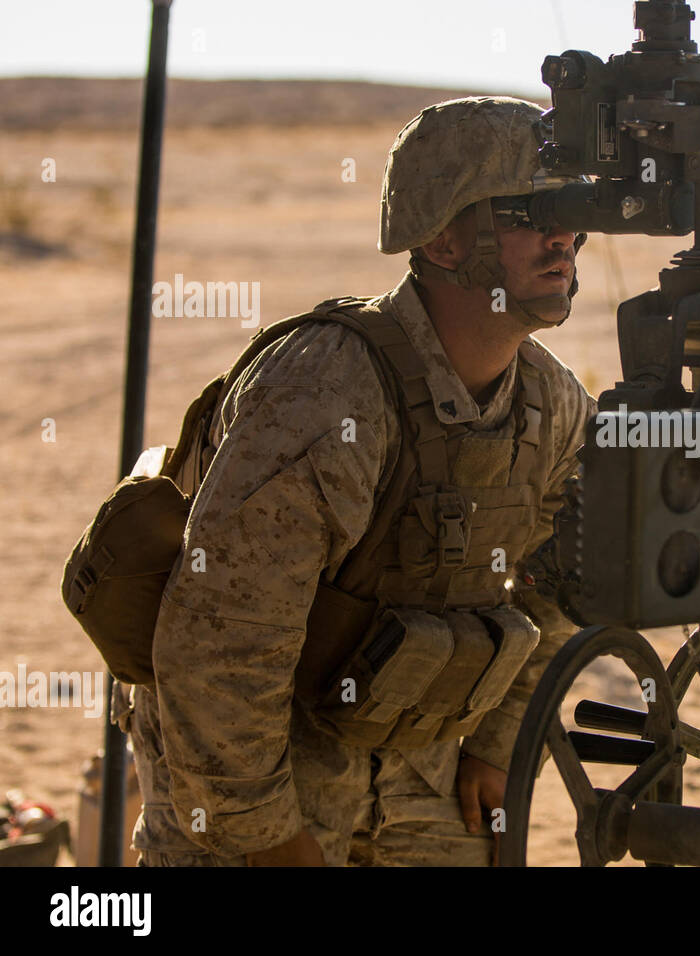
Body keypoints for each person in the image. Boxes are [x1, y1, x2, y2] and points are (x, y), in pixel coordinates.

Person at [114, 95, 596, 866]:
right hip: (260, 790)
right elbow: (220, 640)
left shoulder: (553, 405)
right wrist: (267, 838)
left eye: (573, 216)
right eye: (530, 213)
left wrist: (504, 745)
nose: (563, 238)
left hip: (429, 794)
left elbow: (562, 587)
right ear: (442, 240)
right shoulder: (327, 389)